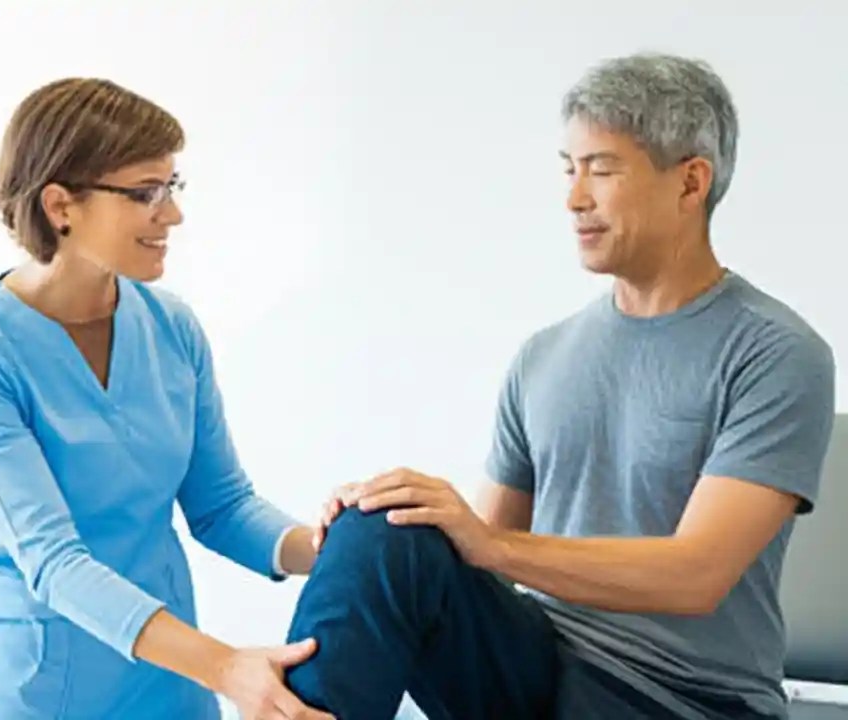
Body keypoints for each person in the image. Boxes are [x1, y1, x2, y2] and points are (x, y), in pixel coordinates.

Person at [286, 52, 836, 720]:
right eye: (568, 169)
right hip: (539, 667)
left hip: (682, 699)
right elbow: (477, 556)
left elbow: (698, 574)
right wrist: (395, 518)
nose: (574, 198)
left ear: (691, 183)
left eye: (602, 170)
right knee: (384, 521)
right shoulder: (543, 357)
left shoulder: (775, 352)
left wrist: (487, 543)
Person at [0, 78, 332, 720]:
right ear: (61, 204)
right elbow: (55, 562)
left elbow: (221, 506)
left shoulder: (172, 328)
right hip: (28, 684)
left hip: (164, 682)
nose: (171, 214)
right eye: (146, 192)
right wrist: (228, 667)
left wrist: (339, 551)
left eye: (172, 188)